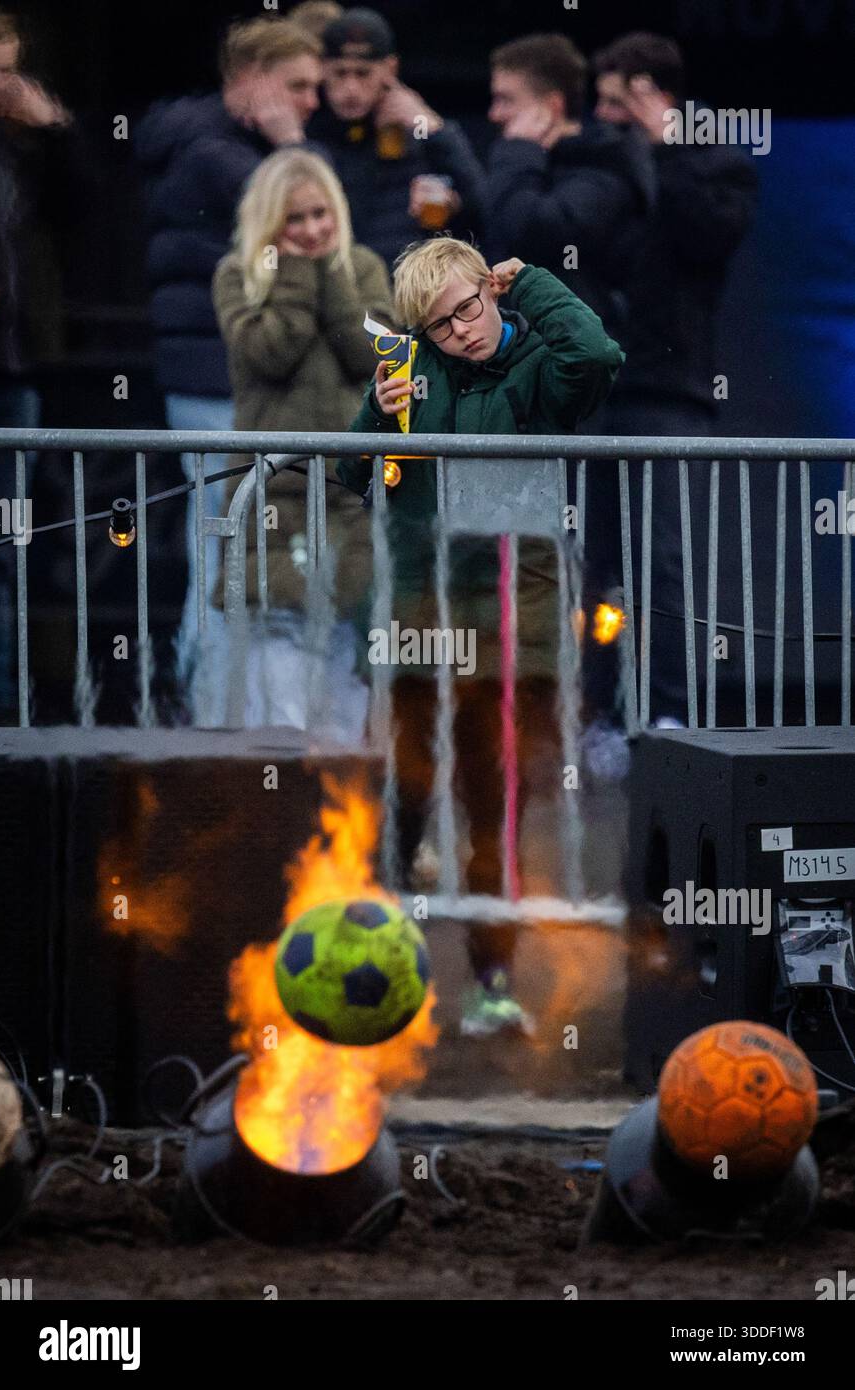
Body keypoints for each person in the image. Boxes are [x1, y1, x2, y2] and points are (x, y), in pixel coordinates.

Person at [337, 237, 623, 1036]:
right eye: (441, 323)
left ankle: (493, 986)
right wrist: (376, 414)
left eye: (470, 306)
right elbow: (354, 475)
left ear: (492, 295)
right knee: (401, 807)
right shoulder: (410, 378)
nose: (462, 328)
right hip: (417, 627)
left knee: (494, 812)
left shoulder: (540, 370)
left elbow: (598, 353)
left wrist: (531, 280)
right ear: (422, 333)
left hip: (509, 633)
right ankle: (372, 984)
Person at [134, 17, 324, 694]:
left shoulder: (217, 143)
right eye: (298, 86)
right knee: (228, 543)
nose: (312, 102)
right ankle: (215, 706)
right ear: (253, 78)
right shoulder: (217, 153)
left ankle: (220, 701)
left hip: (221, 375)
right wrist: (293, 145)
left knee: (227, 539)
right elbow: (316, 225)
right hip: (222, 378)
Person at [589, 31, 759, 731]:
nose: (602, 116)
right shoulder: (598, 160)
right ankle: (599, 710)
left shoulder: (715, 162)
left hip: (671, 393)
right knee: (595, 564)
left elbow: (708, 236)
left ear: (650, 96)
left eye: (614, 102)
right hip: (596, 388)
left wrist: (666, 147)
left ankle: (668, 714)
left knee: (663, 564)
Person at [205, 149, 394, 739]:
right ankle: (281, 808)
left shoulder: (361, 265)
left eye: (321, 215)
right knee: (279, 662)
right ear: (268, 223)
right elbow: (268, 352)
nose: (313, 230)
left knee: (343, 653)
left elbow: (373, 352)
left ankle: (335, 819)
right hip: (272, 492)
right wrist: (293, 278)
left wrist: (331, 277)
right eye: (295, 220)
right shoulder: (237, 273)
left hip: (351, 488)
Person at [0, 3, 78, 721]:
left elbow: (92, 211)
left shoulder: (22, 144)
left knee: (4, 540)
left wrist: (55, 132)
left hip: (14, 368)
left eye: (7, 72)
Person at [485, 32, 655, 341]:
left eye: (506, 100)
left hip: (573, 358)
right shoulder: (524, 163)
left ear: (552, 106)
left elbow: (538, 230)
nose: (494, 113)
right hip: (515, 354)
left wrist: (518, 150)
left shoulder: (604, 164)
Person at [308, 8, 486, 267]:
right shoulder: (310, 123)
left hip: (409, 283)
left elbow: (482, 208)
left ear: (390, 69)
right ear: (323, 70)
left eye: (362, 73)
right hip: (339, 278)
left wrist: (434, 130)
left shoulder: (421, 130)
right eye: (340, 73)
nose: (350, 88)